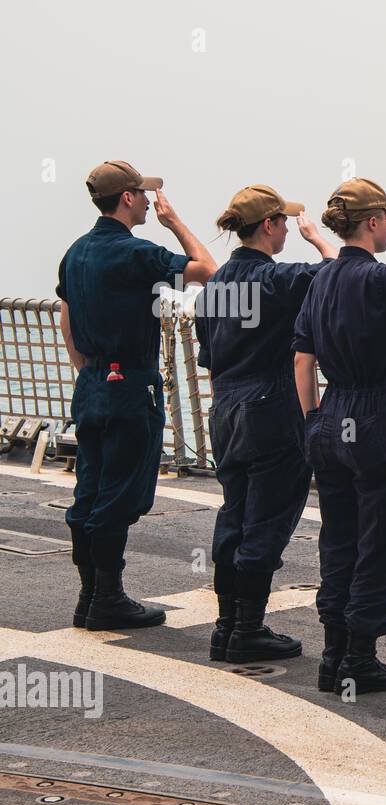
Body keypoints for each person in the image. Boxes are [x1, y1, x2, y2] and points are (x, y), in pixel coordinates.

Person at [292, 178, 386, 694]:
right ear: (374, 222)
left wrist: (313, 420)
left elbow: (302, 360)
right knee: (384, 536)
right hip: (378, 408)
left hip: (332, 412)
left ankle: (333, 655)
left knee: (339, 536)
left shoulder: (321, 281)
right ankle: (360, 656)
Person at [57, 161, 216, 630]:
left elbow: (65, 315)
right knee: (121, 494)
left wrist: (84, 367)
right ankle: (107, 598)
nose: (149, 200)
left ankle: (90, 596)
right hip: (130, 385)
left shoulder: (76, 252)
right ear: (126, 198)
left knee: (89, 489)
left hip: (91, 386)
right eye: (144, 194)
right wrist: (176, 223)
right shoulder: (136, 253)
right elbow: (207, 270)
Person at [198, 185, 337, 664]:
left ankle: (225, 625)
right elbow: (334, 274)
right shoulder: (274, 280)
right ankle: (249, 629)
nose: (285, 231)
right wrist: (320, 241)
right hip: (270, 410)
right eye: (282, 223)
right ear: (269, 226)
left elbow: (209, 359)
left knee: (233, 515)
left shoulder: (213, 287)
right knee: (267, 519)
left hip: (225, 411)